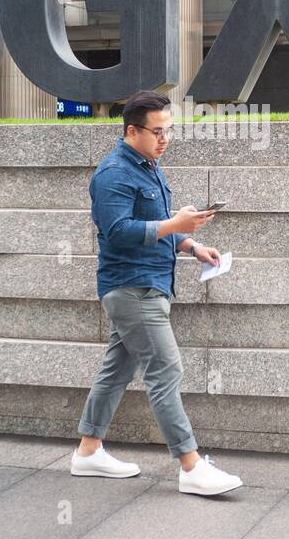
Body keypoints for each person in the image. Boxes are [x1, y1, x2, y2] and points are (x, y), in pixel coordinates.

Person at [71, 90, 244, 496]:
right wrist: (174, 225)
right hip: (132, 288)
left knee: (116, 372)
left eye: (169, 130)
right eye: (157, 131)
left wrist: (191, 244)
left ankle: (88, 451)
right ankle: (190, 465)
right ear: (132, 130)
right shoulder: (113, 173)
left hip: (149, 284)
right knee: (166, 371)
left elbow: (153, 225)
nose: (165, 139)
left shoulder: (149, 166)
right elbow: (117, 231)